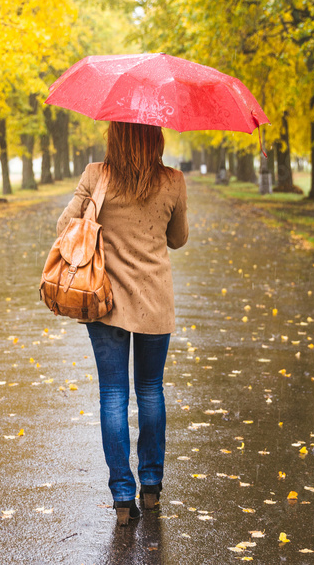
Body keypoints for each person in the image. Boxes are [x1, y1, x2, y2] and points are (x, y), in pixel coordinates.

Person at [55, 121, 188, 526]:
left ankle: (122, 496)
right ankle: (152, 487)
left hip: (105, 301)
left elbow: (64, 229)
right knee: (150, 390)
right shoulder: (173, 181)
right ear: (156, 137)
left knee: (113, 394)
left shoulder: (97, 176)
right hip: (155, 302)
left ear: (115, 136)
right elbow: (178, 238)